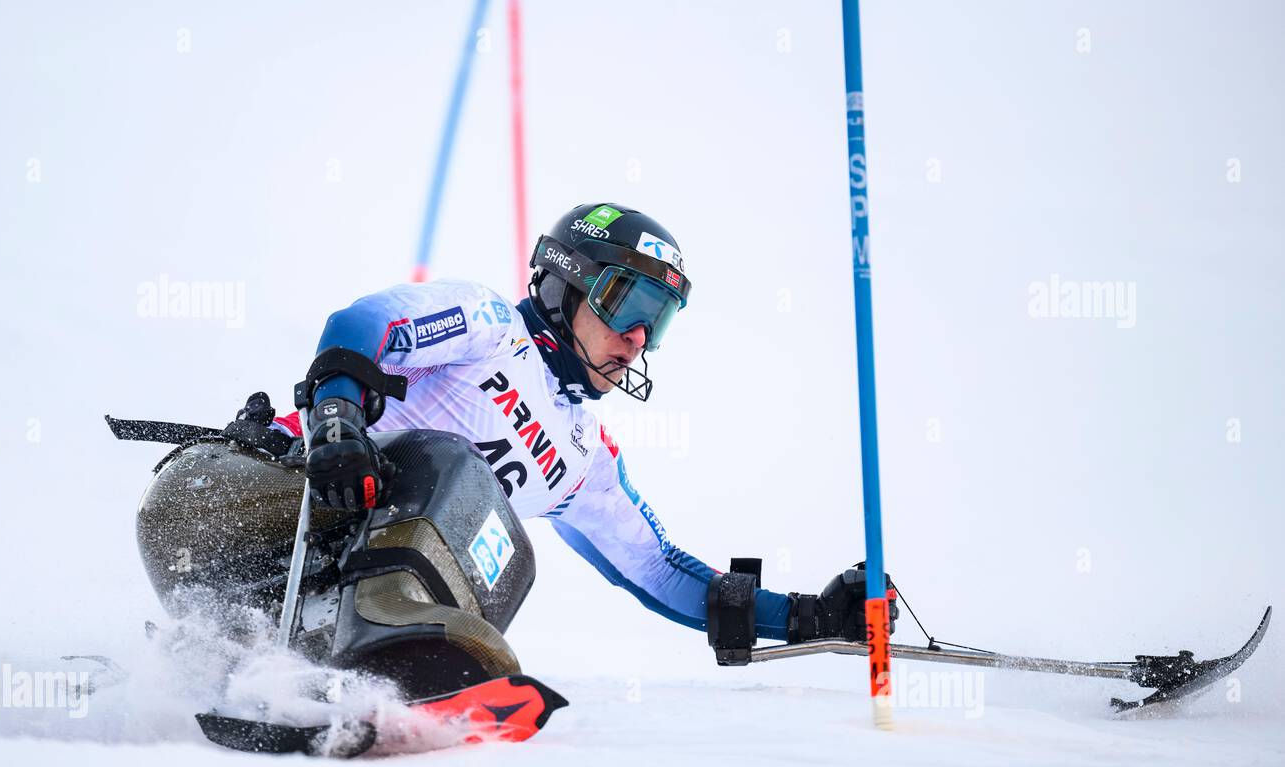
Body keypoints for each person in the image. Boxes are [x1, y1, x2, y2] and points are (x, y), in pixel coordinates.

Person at [267, 202, 894, 684]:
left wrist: (804, 619)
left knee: (506, 548)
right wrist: (337, 421)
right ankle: (390, 634)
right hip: (269, 503)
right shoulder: (491, 327)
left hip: (335, 593)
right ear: (566, 285)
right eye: (628, 305)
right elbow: (364, 325)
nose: (639, 338)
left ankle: (391, 653)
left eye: (659, 320)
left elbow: (654, 568)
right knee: (454, 467)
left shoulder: (583, 456)